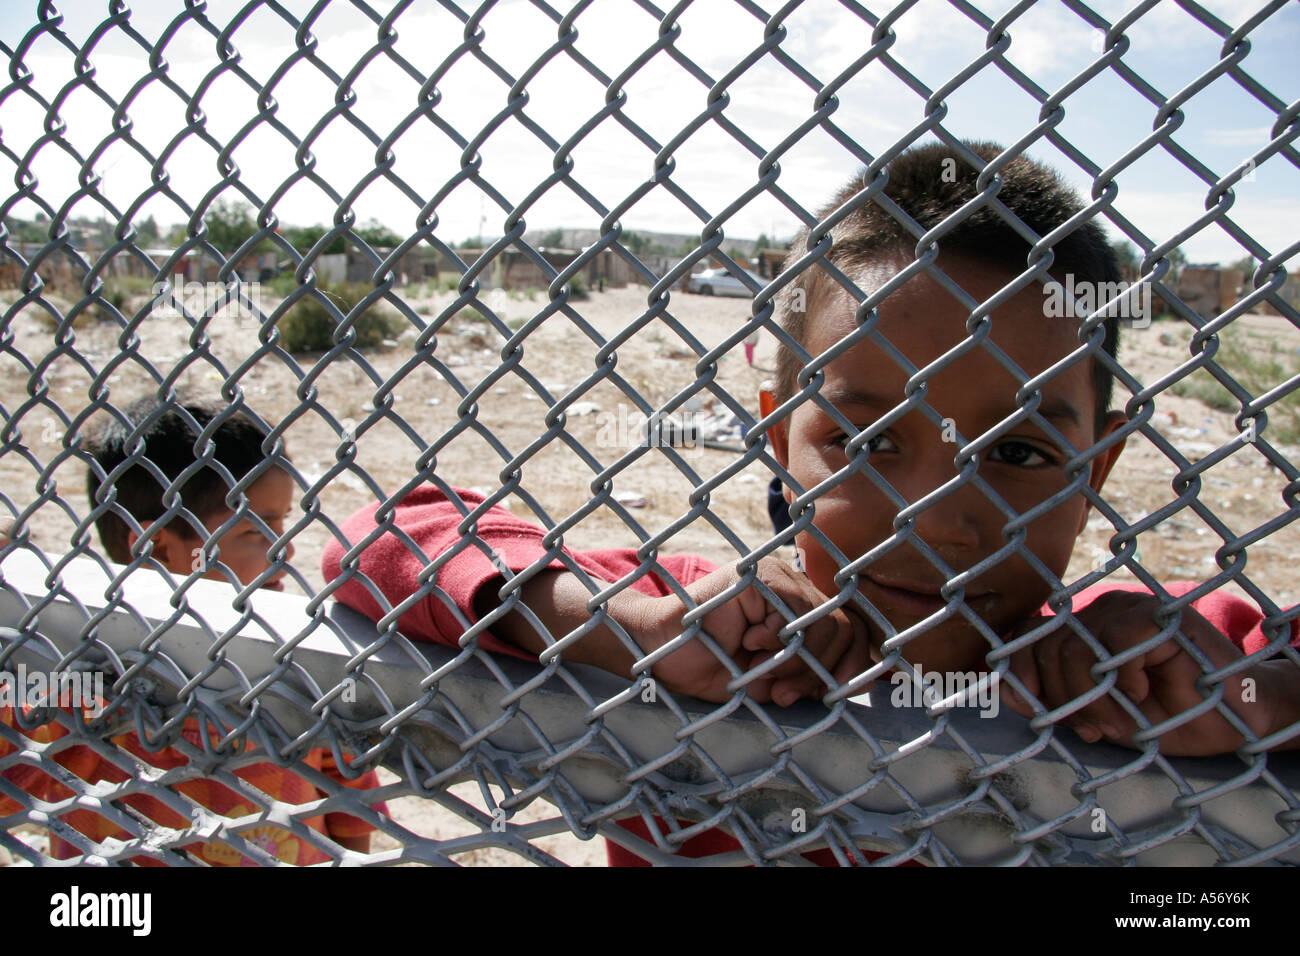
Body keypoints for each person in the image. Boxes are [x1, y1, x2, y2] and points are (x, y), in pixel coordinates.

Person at [321, 141, 1299, 864]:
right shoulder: (708, 619)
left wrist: (1249, 696)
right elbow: (377, 536)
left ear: (1095, 474)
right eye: (866, 439)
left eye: (1020, 449)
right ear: (776, 434)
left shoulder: (1150, 654)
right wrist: (601, 621)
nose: (932, 516)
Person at [0, 396, 384, 865]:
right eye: (257, 531)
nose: (283, 550)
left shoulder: (292, 660)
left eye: (285, 524)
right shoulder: (88, 679)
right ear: (153, 545)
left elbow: (351, 787)